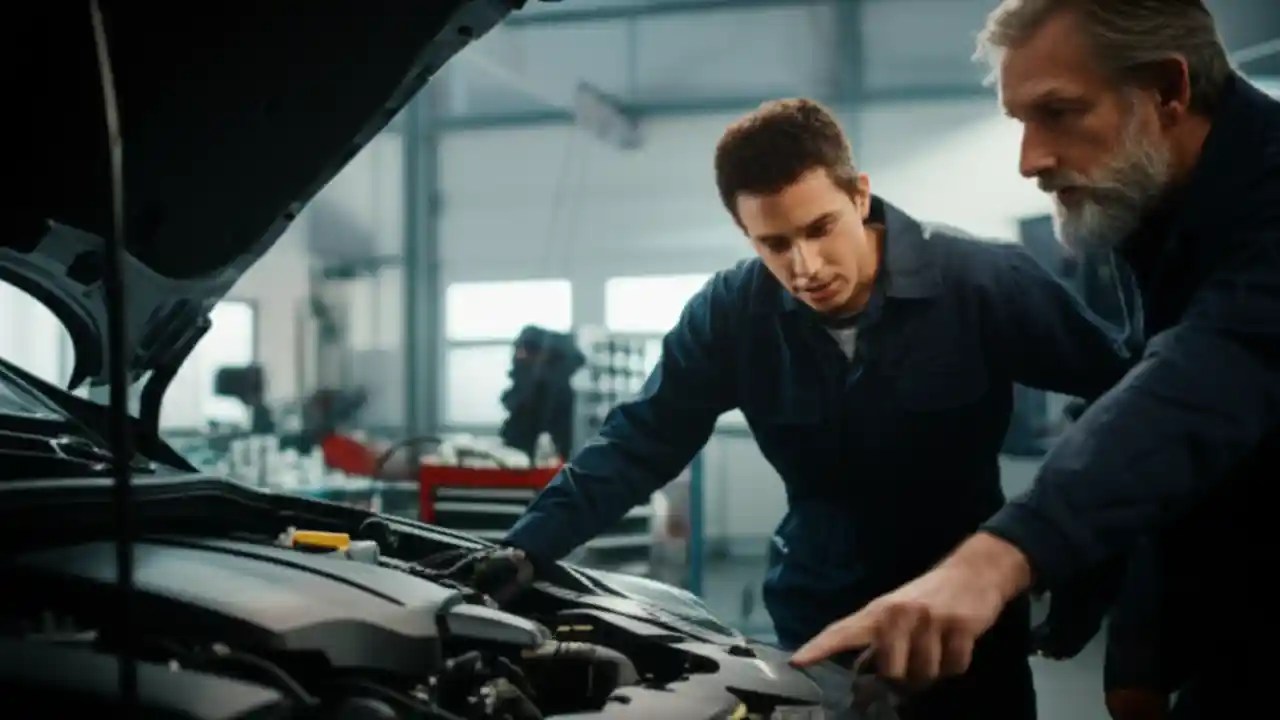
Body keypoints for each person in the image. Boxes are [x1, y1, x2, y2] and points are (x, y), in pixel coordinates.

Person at [474, 98, 1136, 718]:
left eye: (821, 229)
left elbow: (1129, 408)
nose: (806, 266)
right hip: (817, 615)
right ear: (746, 234)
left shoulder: (982, 282)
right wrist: (527, 547)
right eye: (775, 243)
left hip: (966, 622)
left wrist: (1082, 570)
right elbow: (640, 439)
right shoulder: (732, 314)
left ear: (860, 195)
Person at [789, 3, 1276, 716]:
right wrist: (1132, 637)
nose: (1030, 161)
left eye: (1058, 112)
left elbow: (1201, 382)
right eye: (1020, 120)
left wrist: (996, 560)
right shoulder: (1147, 202)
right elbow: (1143, 400)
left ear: (1168, 90)